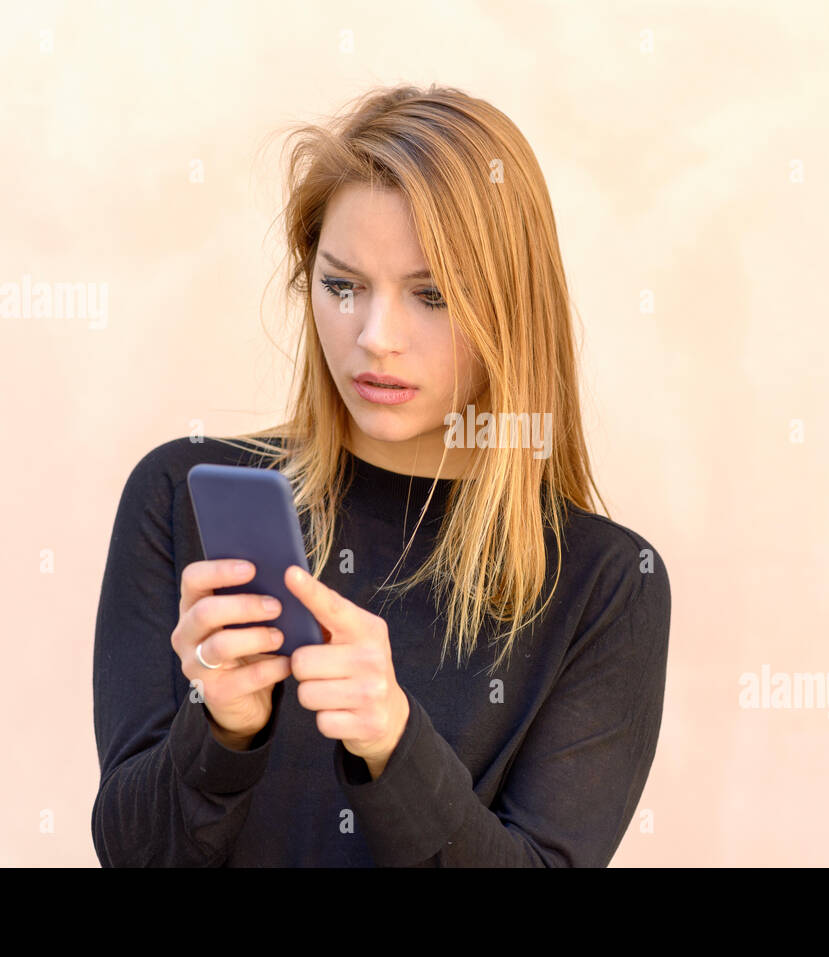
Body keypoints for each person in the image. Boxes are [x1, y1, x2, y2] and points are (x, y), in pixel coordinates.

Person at [90, 84, 670, 866]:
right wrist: (221, 731)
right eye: (342, 285)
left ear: (510, 309)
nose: (376, 337)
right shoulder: (178, 496)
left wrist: (396, 745)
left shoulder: (606, 586)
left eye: (431, 294)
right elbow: (135, 855)